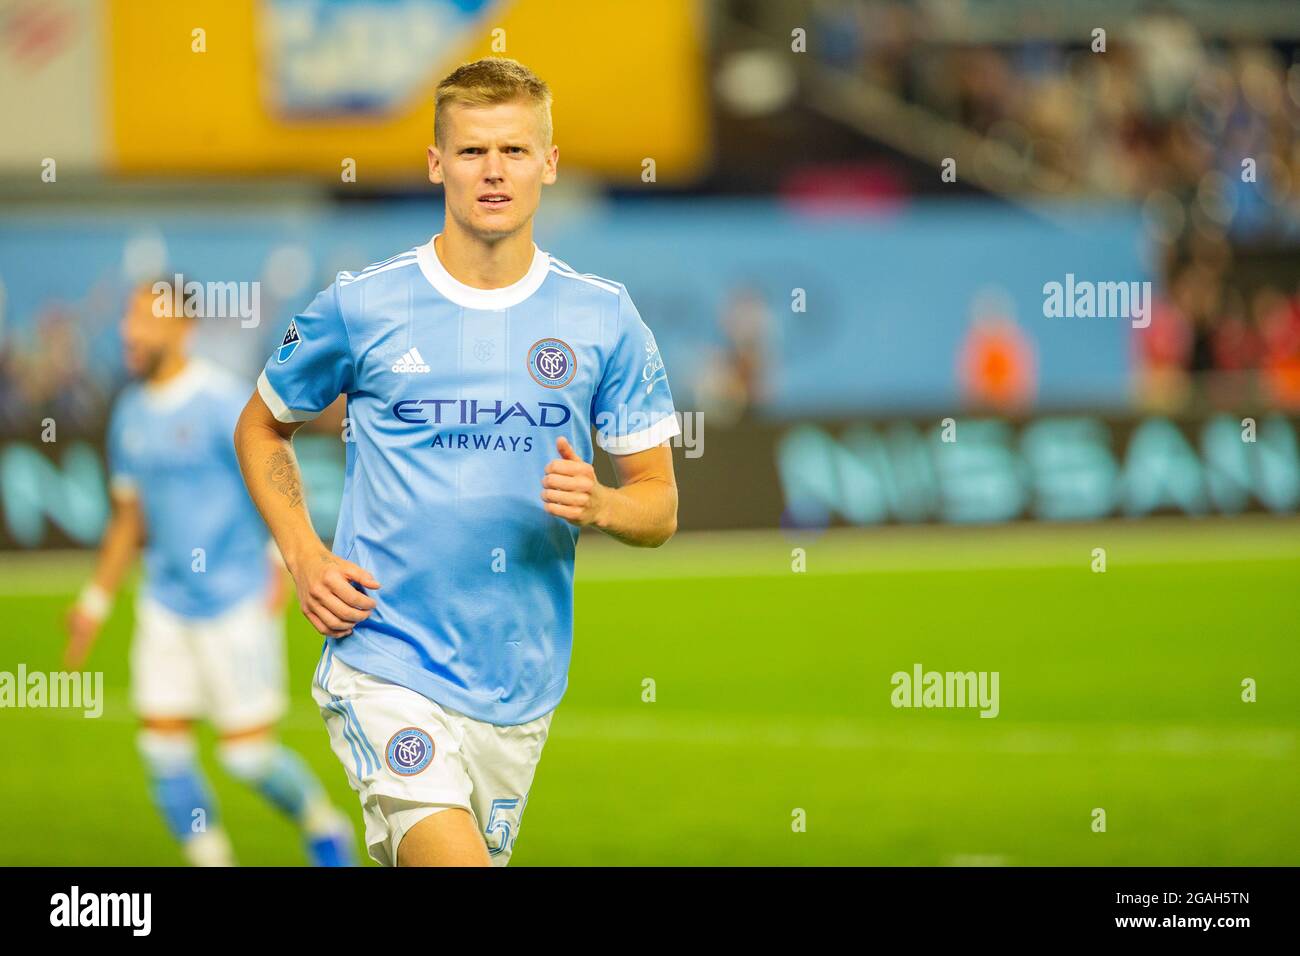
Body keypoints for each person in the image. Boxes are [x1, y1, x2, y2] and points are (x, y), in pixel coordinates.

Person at [234, 57, 681, 866]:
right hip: (385, 659)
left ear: (549, 161)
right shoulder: (362, 304)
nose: (494, 172)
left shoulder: (604, 317)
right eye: (472, 152)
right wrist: (303, 555)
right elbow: (262, 427)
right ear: (437, 163)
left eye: (514, 150)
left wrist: (603, 505)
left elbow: (659, 505)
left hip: (519, 684)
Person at [65, 279, 355, 867]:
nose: (130, 330)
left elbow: (272, 471)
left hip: (234, 600)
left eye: (146, 317)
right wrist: (95, 600)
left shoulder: (223, 402)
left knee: (247, 759)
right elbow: (128, 517)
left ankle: (323, 824)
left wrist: (283, 559)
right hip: (164, 606)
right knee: (161, 750)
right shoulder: (130, 414)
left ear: (183, 328)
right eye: (128, 317)